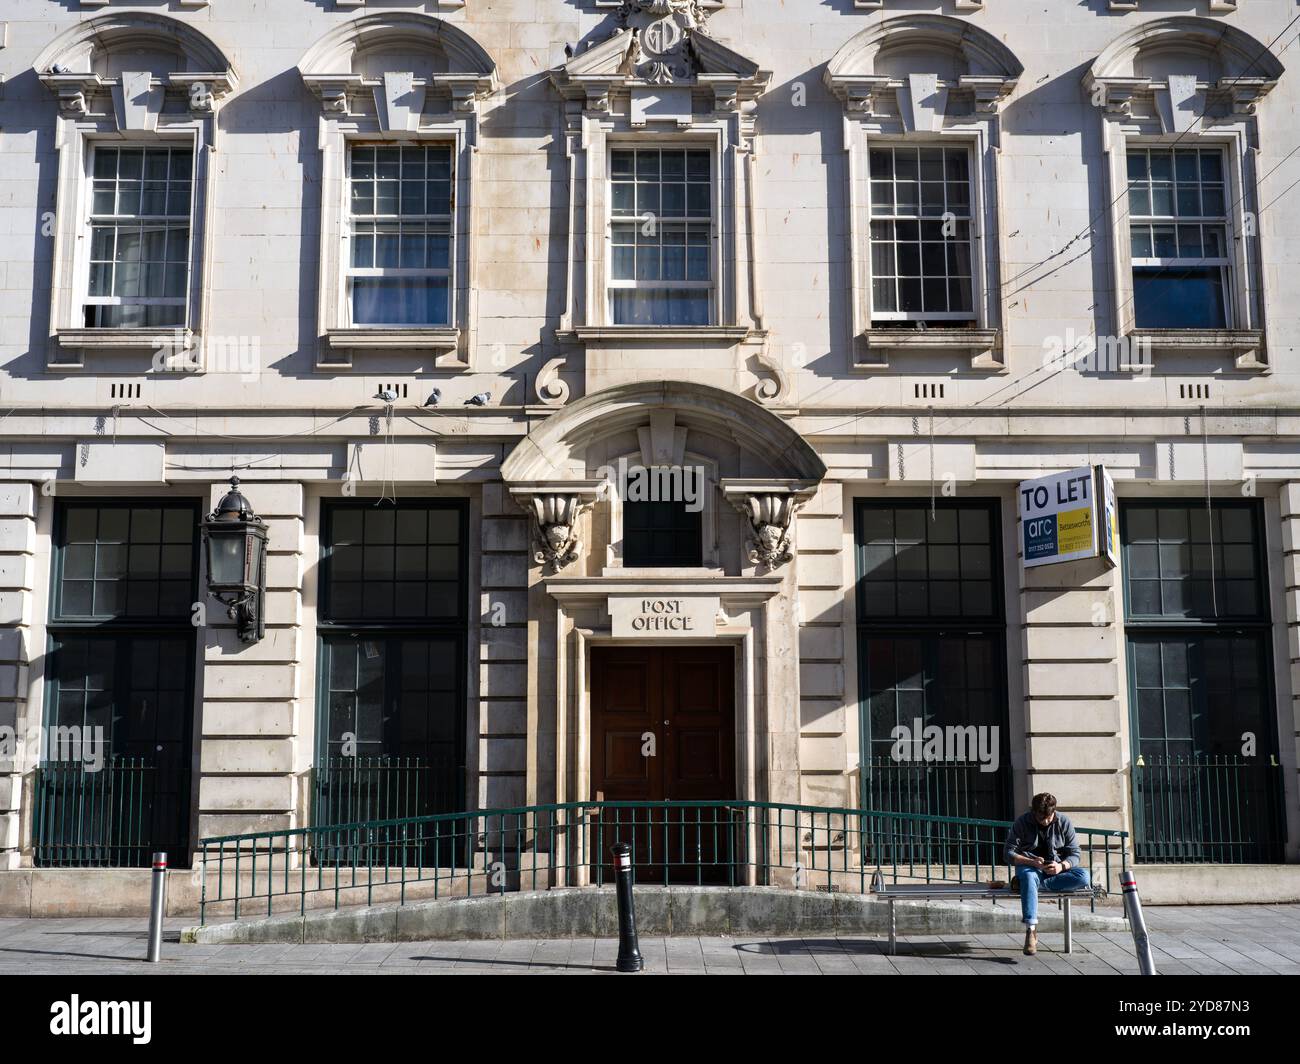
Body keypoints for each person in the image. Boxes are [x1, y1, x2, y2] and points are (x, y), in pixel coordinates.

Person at [1004, 792, 1090, 955]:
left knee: (1084, 876)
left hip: (1056, 870)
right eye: (1040, 817)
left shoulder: (1064, 822)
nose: (1045, 821)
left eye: (1048, 818)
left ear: (1054, 812)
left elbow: (1075, 854)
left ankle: (1026, 885)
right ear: (1033, 812)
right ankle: (1031, 929)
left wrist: (1061, 866)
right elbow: (1008, 853)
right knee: (1029, 876)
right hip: (1031, 868)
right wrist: (1031, 862)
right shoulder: (1022, 822)